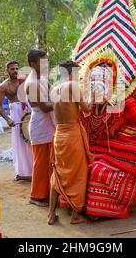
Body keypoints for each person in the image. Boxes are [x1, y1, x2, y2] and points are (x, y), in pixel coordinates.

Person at [48, 61, 93, 225]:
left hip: (59, 135)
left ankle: (51, 214)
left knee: (57, 174)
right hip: (72, 134)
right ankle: (75, 215)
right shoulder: (73, 86)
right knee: (79, 173)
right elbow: (87, 109)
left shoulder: (54, 89)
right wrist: (93, 96)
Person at [25, 50, 56, 207]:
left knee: (49, 162)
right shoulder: (32, 83)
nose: (46, 64)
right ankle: (36, 196)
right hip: (40, 124)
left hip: (46, 124)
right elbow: (44, 107)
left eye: (46, 61)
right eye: (42, 62)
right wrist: (63, 102)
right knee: (41, 163)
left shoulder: (42, 78)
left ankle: (48, 193)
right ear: (32, 64)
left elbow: (53, 92)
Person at [0, 61, 33, 181]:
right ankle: (22, 172)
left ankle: (35, 170)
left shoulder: (25, 80)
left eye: (17, 68)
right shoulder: (3, 86)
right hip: (16, 113)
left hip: (28, 110)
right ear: (7, 70)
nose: (15, 71)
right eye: (12, 69)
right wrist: (8, 119)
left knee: (31, 141)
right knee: (20, 142)